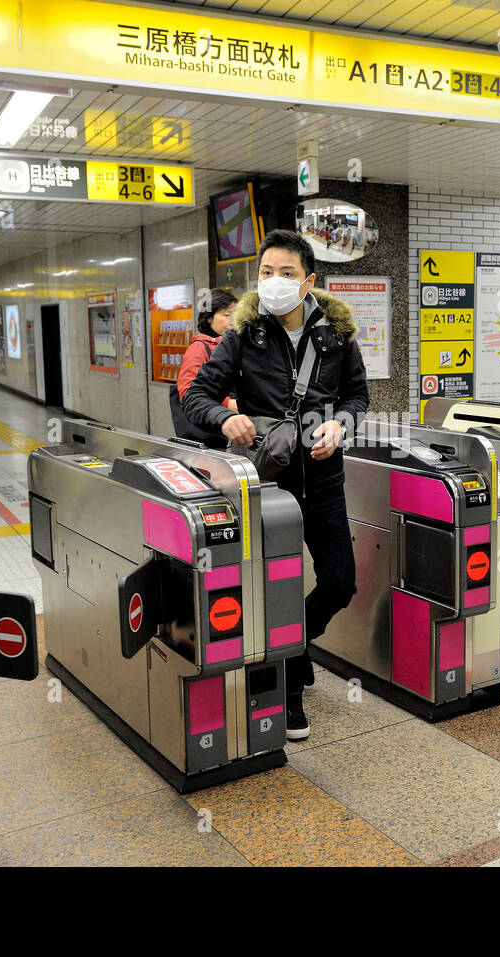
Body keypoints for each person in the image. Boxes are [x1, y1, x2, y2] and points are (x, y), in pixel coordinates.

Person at [183, 229, 369, 741]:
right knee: (277, 588)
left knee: (340, 582)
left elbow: (358, 396)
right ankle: (285, 693)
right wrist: (224, 419)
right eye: (266, 272)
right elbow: (196, 397)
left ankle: (296, 647)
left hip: (324, 477)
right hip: (266, 484)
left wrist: (340, 425)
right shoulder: (244, 334)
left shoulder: (336, 333)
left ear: (309, 280)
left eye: (287, 273)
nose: (274, 282)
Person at [171, 289, 238, 446]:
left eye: (234, 315)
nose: (232, 320)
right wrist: (228, 404)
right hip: (209, 436)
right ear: (209, 318)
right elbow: (188, 391)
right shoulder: (199, 348)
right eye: (226, 315)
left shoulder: (234, 346)